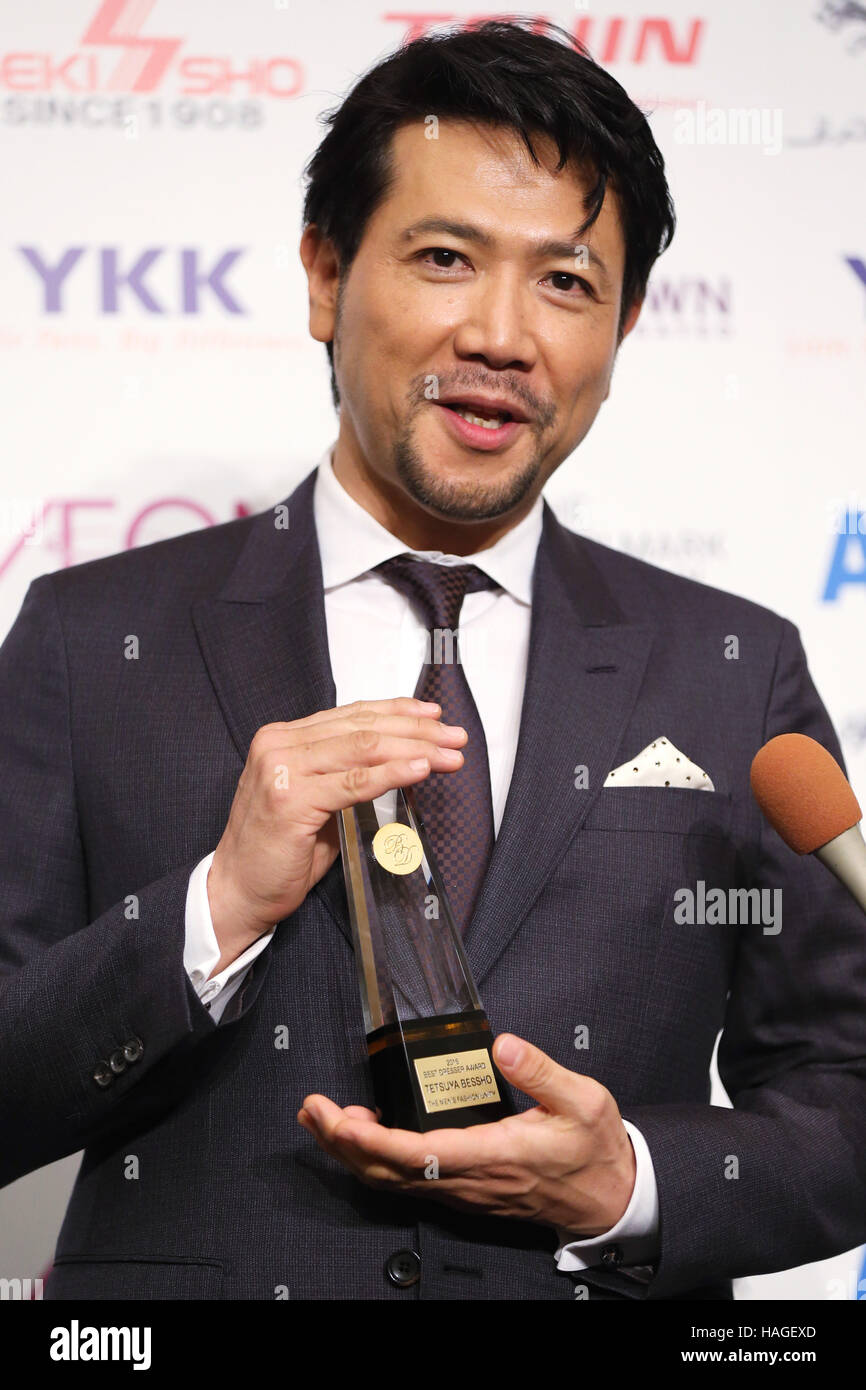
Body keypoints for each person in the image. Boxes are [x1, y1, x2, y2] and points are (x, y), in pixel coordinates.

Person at [2, 20, 865, 1302]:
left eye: (568, 284)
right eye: (446, 258)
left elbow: (844, 1089)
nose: (503, 337)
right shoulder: (88, 637)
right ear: (324, 275)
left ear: (624, 328)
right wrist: (211, 909)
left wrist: (629, 1179)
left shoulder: (731, 667)